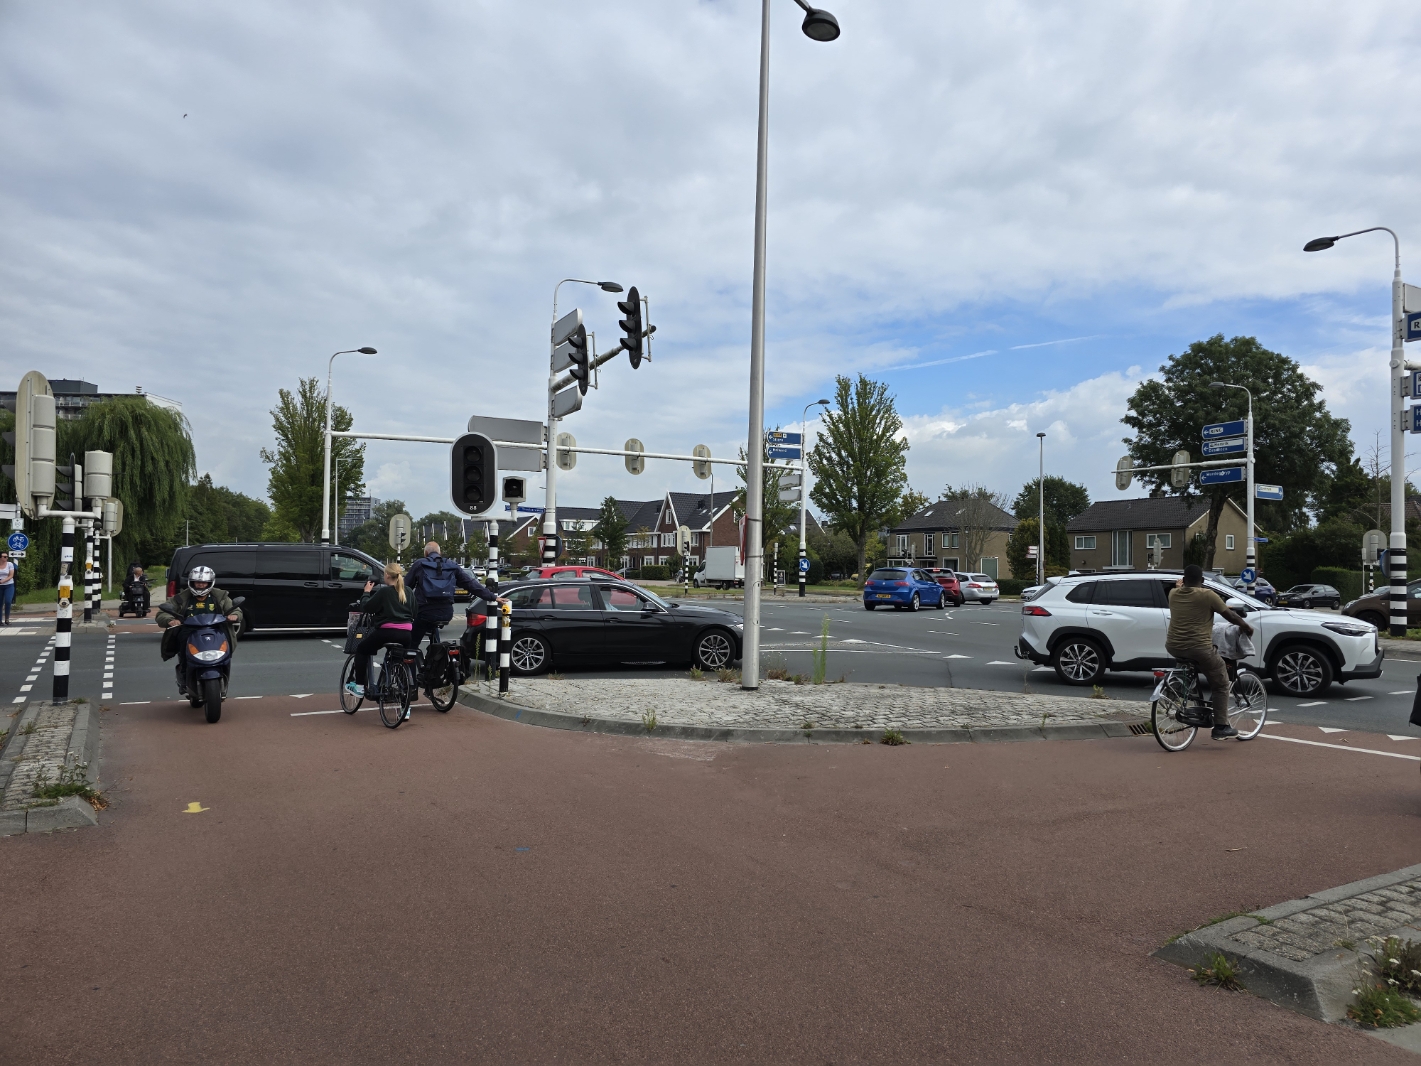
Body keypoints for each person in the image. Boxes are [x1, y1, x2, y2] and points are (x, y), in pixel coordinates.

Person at [1166, 564, 1255, 740]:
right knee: (1221, 682)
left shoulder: (1173, 594)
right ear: (1203, 581)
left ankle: (1178, 692)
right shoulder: (1208, 595)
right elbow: (1231, 617)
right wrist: (1246, 627)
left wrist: (1179, 585)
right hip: (1199, 648)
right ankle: (1221, 726)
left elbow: (1181, 590)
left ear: (1183, 581)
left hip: (1173, 646)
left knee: (1189, 666)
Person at [406, 541, 503, 653]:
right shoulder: (452, 565)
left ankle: (411, 666)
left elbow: (405, 587)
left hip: (424, 611)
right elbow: (471, 584)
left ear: (426, 554)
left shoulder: (420, 564)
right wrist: (492, 597)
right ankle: (437, 656)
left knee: (411, 645)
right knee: (433, 626)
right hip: (447, 612)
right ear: (440, 553)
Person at [156, 566, 241, 690]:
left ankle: (224, 671)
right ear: (192, 582)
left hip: (215, 629)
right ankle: (184, 676)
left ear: (210, 583)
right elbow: (162, 613)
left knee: (226, 643)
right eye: (198, 582)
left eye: (204, 582)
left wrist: (234, 615)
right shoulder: (181, 598)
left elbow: (236, 609)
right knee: (183, 643)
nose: (200, 585)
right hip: (190, 630)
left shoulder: (220, 596)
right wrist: (170, 620)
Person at [346, 561, 415, 701]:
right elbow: (414, 612)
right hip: (406, 634)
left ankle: (359, 687)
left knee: (362, 649)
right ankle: (404, 705)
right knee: (399, 661)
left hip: (386, 632)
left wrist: (366, 592)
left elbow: (367, 607)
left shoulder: (385, 592)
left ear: (388, 575)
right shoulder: (408, 591)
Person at [0, 550, 16, 625]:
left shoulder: (9, 564)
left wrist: (3, 581)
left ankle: (7, 619)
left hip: (9, 585)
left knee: (8, 601)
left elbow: (11, 575)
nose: (6, 558)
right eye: (5, 557)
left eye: (7, 556)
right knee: (0, 603)